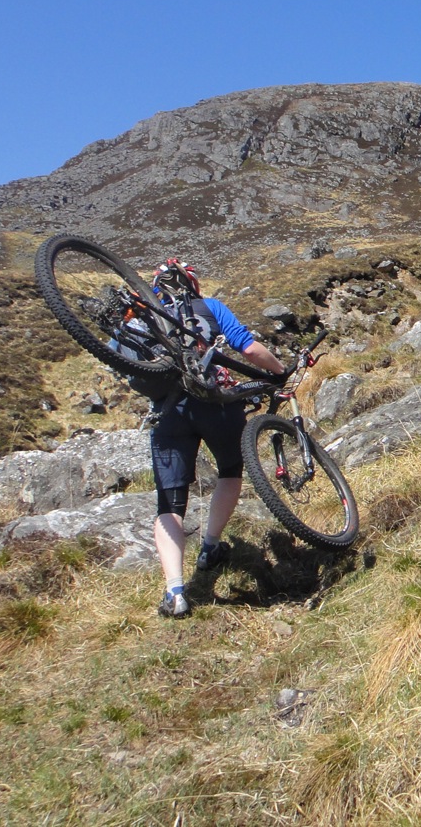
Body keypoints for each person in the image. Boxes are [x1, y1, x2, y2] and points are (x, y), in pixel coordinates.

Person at [145, 257, 287, 617]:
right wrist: (279, 371)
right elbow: (249, 349)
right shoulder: (210, 308)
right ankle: (210, 546)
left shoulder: (145, 319)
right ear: (191, 283)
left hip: (168, 412)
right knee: (230, 471)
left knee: (170, 504)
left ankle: (175, 591)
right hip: (217, 403)